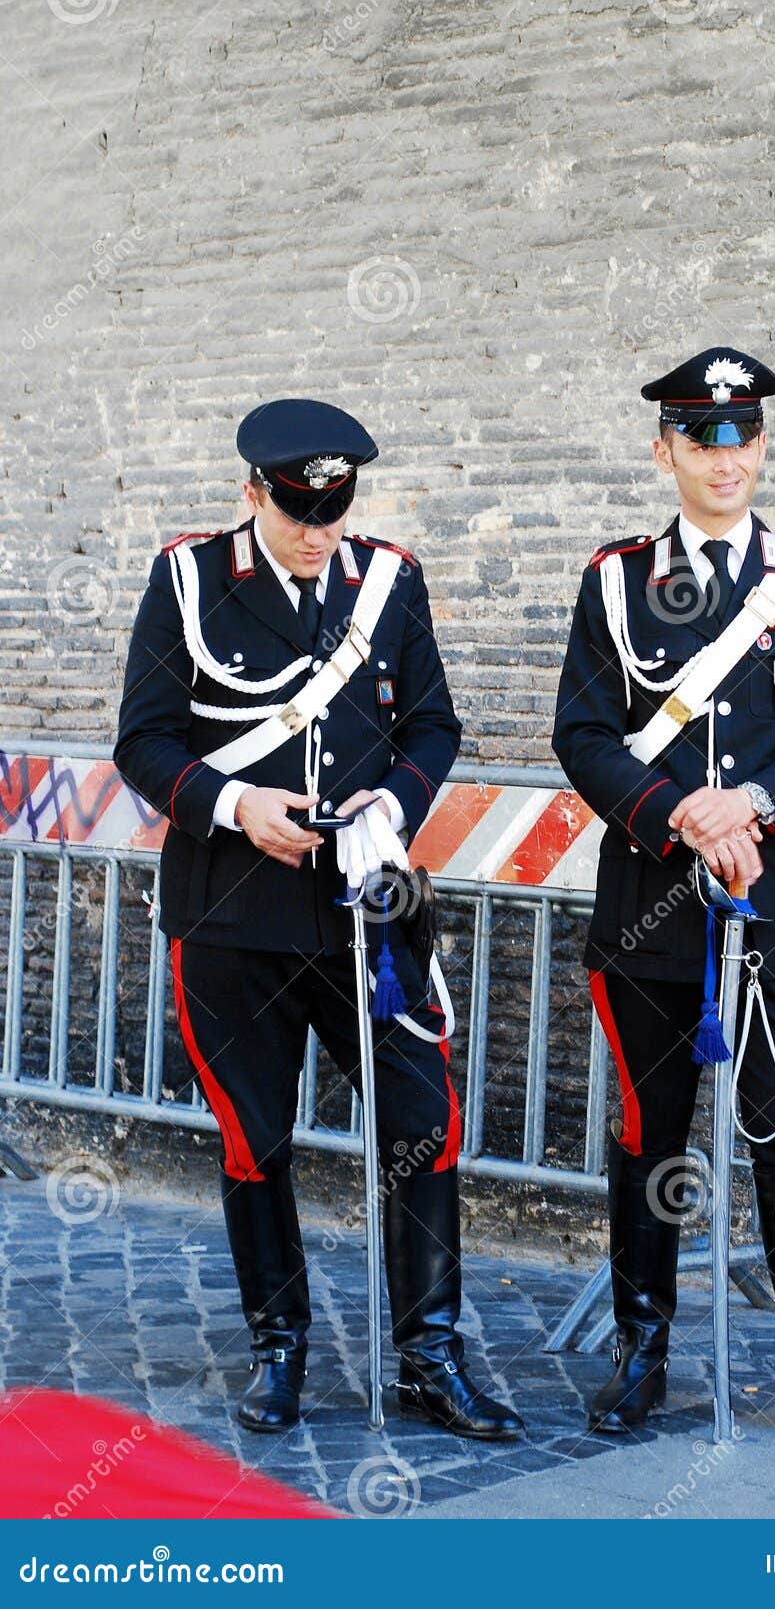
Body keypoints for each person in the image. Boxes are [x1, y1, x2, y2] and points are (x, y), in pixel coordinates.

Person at [115, 397, 523, 1443]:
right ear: (251, 493)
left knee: (423, 1124)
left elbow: (430, 722)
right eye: (297, 510)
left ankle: (431, 1349)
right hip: (233, 914)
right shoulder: (188, 581)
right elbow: (144, 742)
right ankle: (279, 1343)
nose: (316, 531)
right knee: (256, 1139)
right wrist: (237, 805)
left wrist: (392, 804)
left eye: (332, 511)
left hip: (366, 910)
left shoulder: (388, 581)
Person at [552, 348, 775, 1459]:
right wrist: (682, 816)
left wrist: (749, 807)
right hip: (650, 902)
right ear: (664, 449)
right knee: (649, 1135)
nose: (726, 457)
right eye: (702, 438)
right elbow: (582, 732)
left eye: (743, 437)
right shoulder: (615, 581)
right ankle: (640, 1354)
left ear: (760, 445)